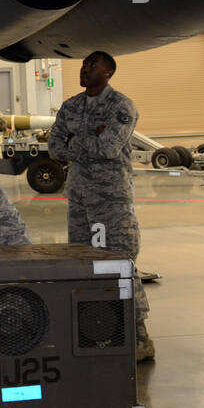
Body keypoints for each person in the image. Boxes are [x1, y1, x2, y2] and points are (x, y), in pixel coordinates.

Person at [49, 51, 154, 361]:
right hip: (80, 201)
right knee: (83, 266)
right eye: (83, 64)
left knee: (121, 266)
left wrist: (74, 142)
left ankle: (140, 338)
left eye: (92, 64)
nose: (85, 68)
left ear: (109, 72)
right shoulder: (71, 105)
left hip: (112, 202)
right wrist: (87, 139)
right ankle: (97, 334)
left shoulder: (121, 106)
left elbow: (108, 149)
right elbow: (55, 149)